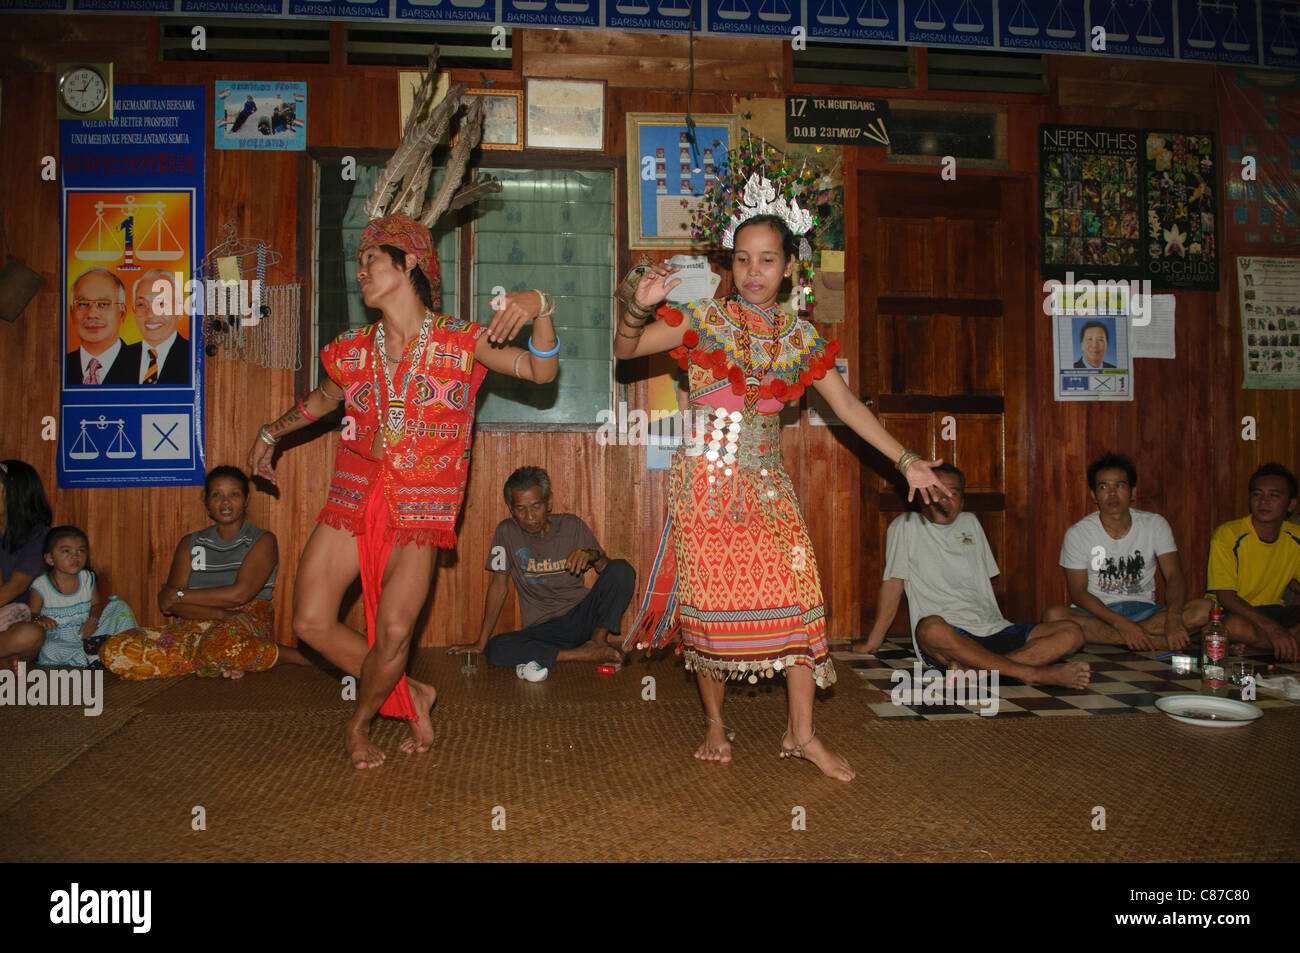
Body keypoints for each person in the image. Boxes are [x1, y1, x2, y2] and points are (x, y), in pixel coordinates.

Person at [615, 180, 949, 782]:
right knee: (709, 611)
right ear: (730, 263)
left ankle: (802, 733)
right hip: (705, 488)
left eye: (767, 259)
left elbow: (848, 409)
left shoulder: (802, 339)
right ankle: (716, 723)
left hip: (769, 489)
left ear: (790, 267)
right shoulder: (704, 322)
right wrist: (638, 305)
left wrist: (907, 461)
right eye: (742, 259)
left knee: (802, 603)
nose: (753, 271)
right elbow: (625, 349)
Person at [247, 212, 560, 769]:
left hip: (420, 509)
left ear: (409, 264)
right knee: (310, 622)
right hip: (352, 500)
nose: (361, 271)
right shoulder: (349, 348)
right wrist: (271, 432)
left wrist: (539, 305)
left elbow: (540, 372)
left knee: (392, 632)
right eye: (359, 261)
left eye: (372, 260)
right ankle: (412, 690)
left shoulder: (461, 342)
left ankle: (360, 723)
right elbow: (322, 400)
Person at [854, 464, 1090, 689]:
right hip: (950, 635)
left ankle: (979, 672)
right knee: (930, 628)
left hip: (993, 629)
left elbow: (982, 584)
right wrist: (874, 642)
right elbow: (893, 584)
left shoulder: (971, 523)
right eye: (937, 492)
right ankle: (1031, 673)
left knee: (1073, 632)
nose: (945, 499)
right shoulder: (905, 526)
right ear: (921, 496)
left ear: (962, 500)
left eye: (953, 493)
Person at [99, 466, 309, 679]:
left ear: (246, 500)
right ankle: (220, 659)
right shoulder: (191, 543)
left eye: (234, 494)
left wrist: (180, 594)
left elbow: (239, 594)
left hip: (245, 620)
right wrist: (220, 614)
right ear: (207, 502)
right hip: (196, 624)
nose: (225, 502)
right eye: (216, 495)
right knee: (113, 650)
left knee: (218, 645)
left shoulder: (262, 540)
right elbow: (167, 604)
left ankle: (289, 655)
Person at [449, 466, 631, 678]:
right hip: (544, 629)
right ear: (510, 508)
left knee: (622, 569)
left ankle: (598, 640)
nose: (530, 517)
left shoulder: (572, 526)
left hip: (583, 616)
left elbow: (612, 575)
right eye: (521, 509)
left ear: (548, 503)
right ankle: (581, 654)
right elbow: (498, 586)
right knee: (496, 648)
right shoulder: (506, 532)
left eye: (536, 506)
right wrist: (480, 643)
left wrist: (594, 556)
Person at [1044, 453, 1210, 651]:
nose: (1112, 494)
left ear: (1132, 492)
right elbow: (1078, 593)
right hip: (1099, 614)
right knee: (1053, 616)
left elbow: (1174, 575)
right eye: (1103, 487)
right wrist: (1121, 624)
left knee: (1205, 610)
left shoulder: (1155, 524)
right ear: (1093, 495)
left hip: (1144, 611)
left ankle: (1125, 637)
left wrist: (1173, 618)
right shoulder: (1078, 533)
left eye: (1120, 485)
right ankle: (1154, 641)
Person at [1206, 462, 1300, 661]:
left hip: (1275, 610)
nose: (1264, 501)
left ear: (1291, 504)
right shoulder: (1229, 534)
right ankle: (1284, 645)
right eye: (1257, 494)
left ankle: (1268, 646)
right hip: (1236, 611)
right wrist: (1274, 630)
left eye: (1274, 495)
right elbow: (1226, 598)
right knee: (1231, 627)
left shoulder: (1296, 536)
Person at [29, 526, 136, 669]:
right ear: (50, 559)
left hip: (90, 633)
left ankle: (121, 648)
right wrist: (39, 619)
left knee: (119, 606)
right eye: (66, 551)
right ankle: (97, 653)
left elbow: (96, 605)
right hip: (60, 638)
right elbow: (31, 614)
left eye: (81, 550)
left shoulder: (87, 578)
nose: (75, 556)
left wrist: (93, 620)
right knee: (49, 649)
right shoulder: (41, 585)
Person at [0, 460, 54, 669]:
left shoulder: (40, 536)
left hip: (29, 619)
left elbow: (13, 589)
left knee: (30, 635)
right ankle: (5, 663)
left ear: (16, 494)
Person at [65, 267, 141, 386]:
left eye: (103, 304)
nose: (92, 314)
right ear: (71, 312)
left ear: (122, 314)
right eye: (83, 304)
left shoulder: (144, 368)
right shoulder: (61, 366)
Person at [132, 269, 189, 385]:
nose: (150, 313)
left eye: (161, 303)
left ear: (179, 310)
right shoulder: (120, 358)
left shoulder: (191, 356)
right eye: (141, 304)